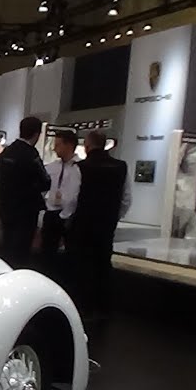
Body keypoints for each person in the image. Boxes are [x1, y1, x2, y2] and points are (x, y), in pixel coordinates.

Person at [71, 130, 131, 321]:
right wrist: (113, 217)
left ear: (87, 146)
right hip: (106, 224)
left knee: (81, 265)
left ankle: (83, 307)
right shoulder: (121, 167)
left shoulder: (80, 167)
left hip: (83, 223)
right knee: (103, 264)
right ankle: (104, 307)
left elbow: (73, 197)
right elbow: (127, 198)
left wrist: (69, 217)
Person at [0, 116, 51, 266]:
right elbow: (45, 182)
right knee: (21, 254)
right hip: (25, 213)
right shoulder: (31, 154)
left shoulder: (7, 153)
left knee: (7, 251)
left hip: (7, 210)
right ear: (37, 134)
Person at [39, 129, 80, 268]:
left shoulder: (79, 168)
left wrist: (67, 215)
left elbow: (77, 194)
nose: (54, 148)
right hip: (51, 214)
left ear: (68, 145)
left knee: (70, 254)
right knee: (47, 253)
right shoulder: (50, 167)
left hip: (70, 216)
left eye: (58, 144)